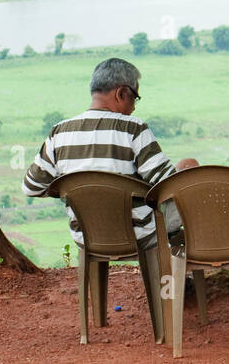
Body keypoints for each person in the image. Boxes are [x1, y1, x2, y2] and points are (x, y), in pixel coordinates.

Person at [22, 57, 198, 250]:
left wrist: (71, 189)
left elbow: (32, 188)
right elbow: (170, 186)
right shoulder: (133, 129)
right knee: (190, 170)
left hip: (86, 237)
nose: (134, 107)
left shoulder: (59, 132)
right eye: (134, 98)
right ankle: (182, 271)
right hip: (139, 235)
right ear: (121, 93)